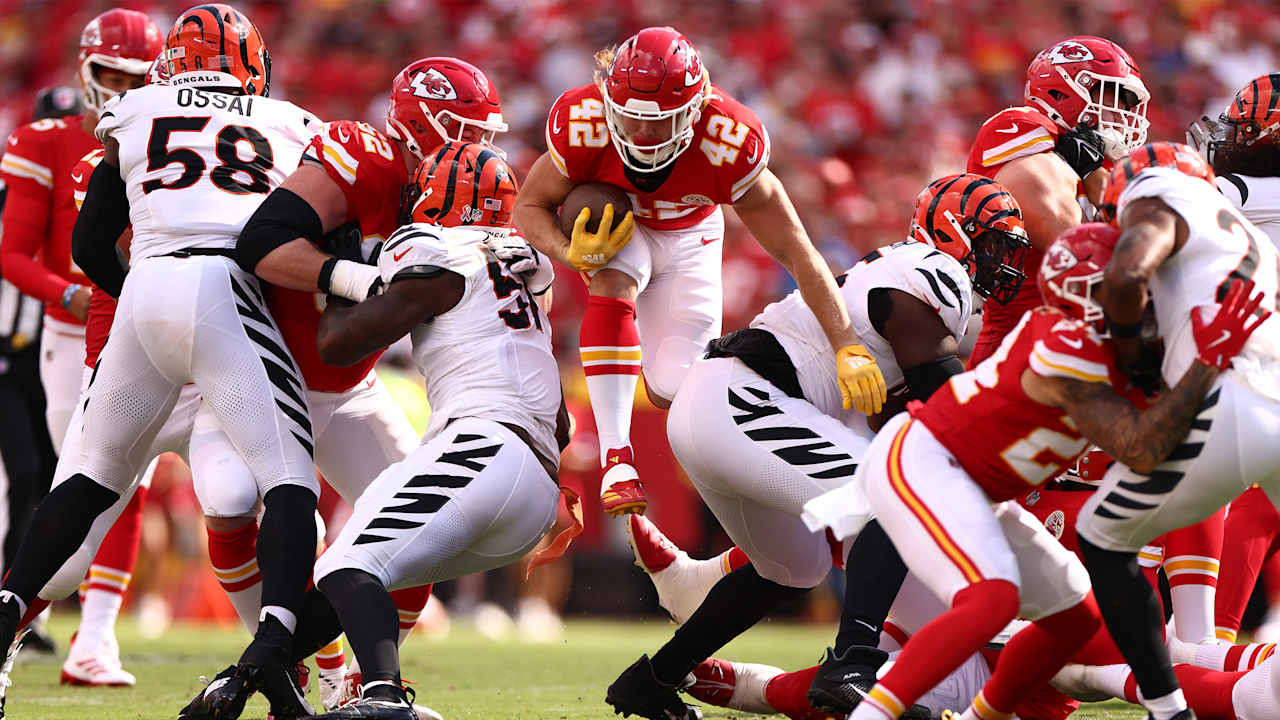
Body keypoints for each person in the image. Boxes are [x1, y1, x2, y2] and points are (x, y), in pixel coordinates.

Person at [802, 219, 1267, 720]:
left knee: (1074, 617)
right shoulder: (1068, 351)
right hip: (924, 464)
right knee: (992, 601)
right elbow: (1142, 447)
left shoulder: (1093, 341)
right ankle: (869, 715)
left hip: (969, 484)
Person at [0, 6, 324, 719]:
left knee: (90, 480)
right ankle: (275, 657)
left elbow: (89, 248)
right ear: (248, 61)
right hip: (225, 289)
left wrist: (149, 301)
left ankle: (5, 612)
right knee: (290, 483)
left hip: (145, 289)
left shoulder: (136, 110)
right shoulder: (289, 122)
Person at [607, 173, 1029, 720]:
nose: (1003, 261)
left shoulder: (898, 275)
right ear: (954, 232)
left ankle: (652, 680)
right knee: (899, 495)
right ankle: (852, 664)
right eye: (993, 243)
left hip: (721, 405)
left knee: (793, 569)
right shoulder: (932, 272)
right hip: (743, 399)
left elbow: (904, 417)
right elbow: (948, 400)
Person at [197, 142, 566, 720]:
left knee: (345, 566)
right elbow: (560, 417)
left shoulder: (439, 251)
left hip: (484, 444)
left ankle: (384, 699)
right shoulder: (520, 272)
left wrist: (337, 277)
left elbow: (339, 345)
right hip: (535, 480)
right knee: (362, 567)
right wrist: (243, 678)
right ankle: (248, 673)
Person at [515, 25, 885, 520]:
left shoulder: (730, 139)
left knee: (676, 391)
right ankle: (617, 458)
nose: (644, 135)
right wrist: (569, 252)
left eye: (660, 123)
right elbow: (530, 205)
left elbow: (797, 250)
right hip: (624, 229)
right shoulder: (583, 121)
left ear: (695, 110)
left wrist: (846, 345)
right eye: (631, 119)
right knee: (610, 270)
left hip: (692, 240)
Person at [1075, 141, 1280, 720]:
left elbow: (1129, 271)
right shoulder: (1253, 240)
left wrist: (1131, 353)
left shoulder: (1157, 192)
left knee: (1102, 535)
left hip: (1234, 402)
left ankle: (1162, 701)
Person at [0, 9, 162, 681]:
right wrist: (65, 292)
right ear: (84, 69)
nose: (119, 90)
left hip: (150, 326)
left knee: (135, 481)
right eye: (108, 74)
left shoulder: (171, 134)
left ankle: (95, 640)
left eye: (134, 77)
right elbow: (11, 252)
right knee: (87, 486)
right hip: (74, 335)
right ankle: (15, 626)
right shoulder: (47, 138)